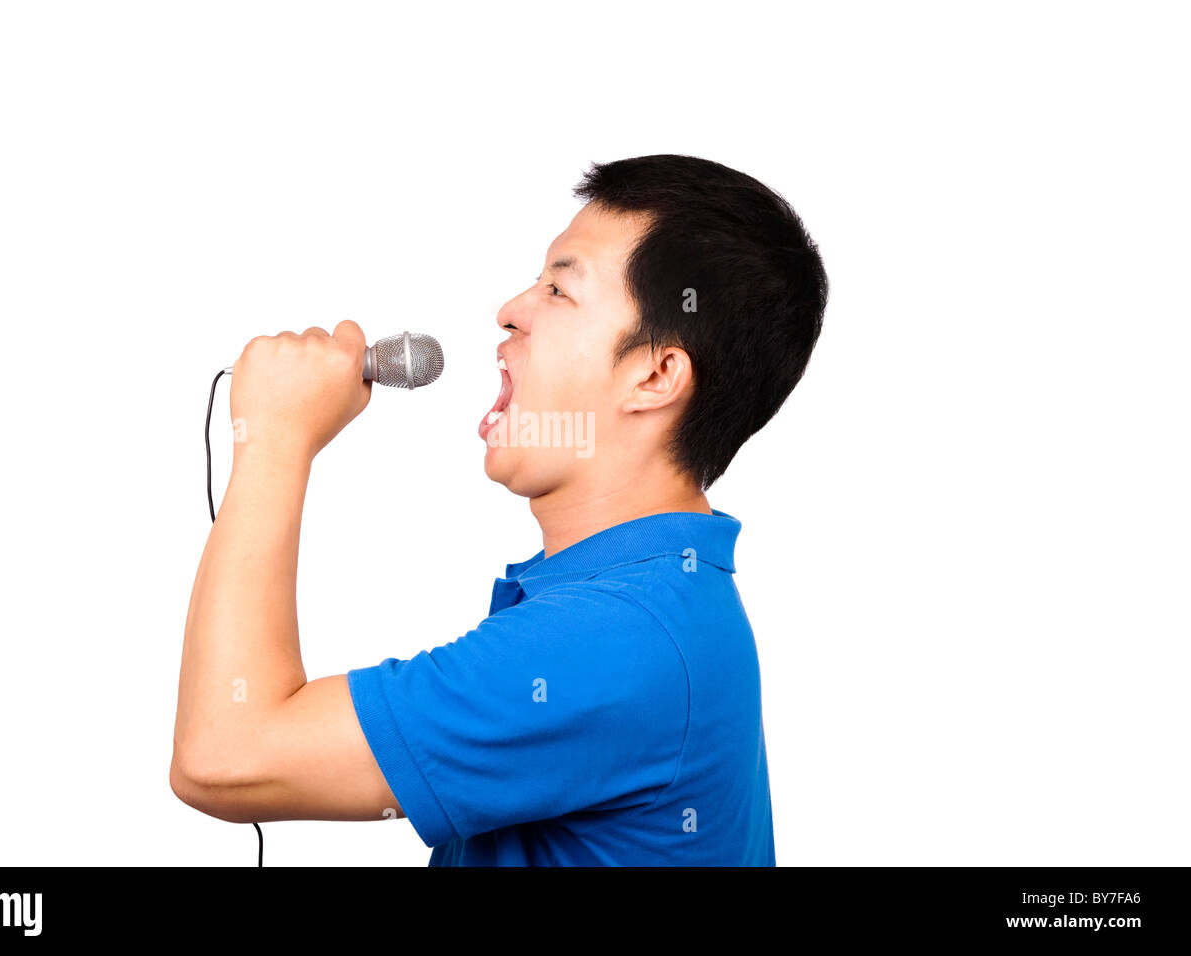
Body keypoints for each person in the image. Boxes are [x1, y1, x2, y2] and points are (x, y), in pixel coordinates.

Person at [170, 154, 828, 865]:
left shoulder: (617, 637)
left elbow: (223, 756)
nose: (511, 310)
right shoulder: (655, 598)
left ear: (655, 374)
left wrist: (273, 439)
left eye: (559, 290)